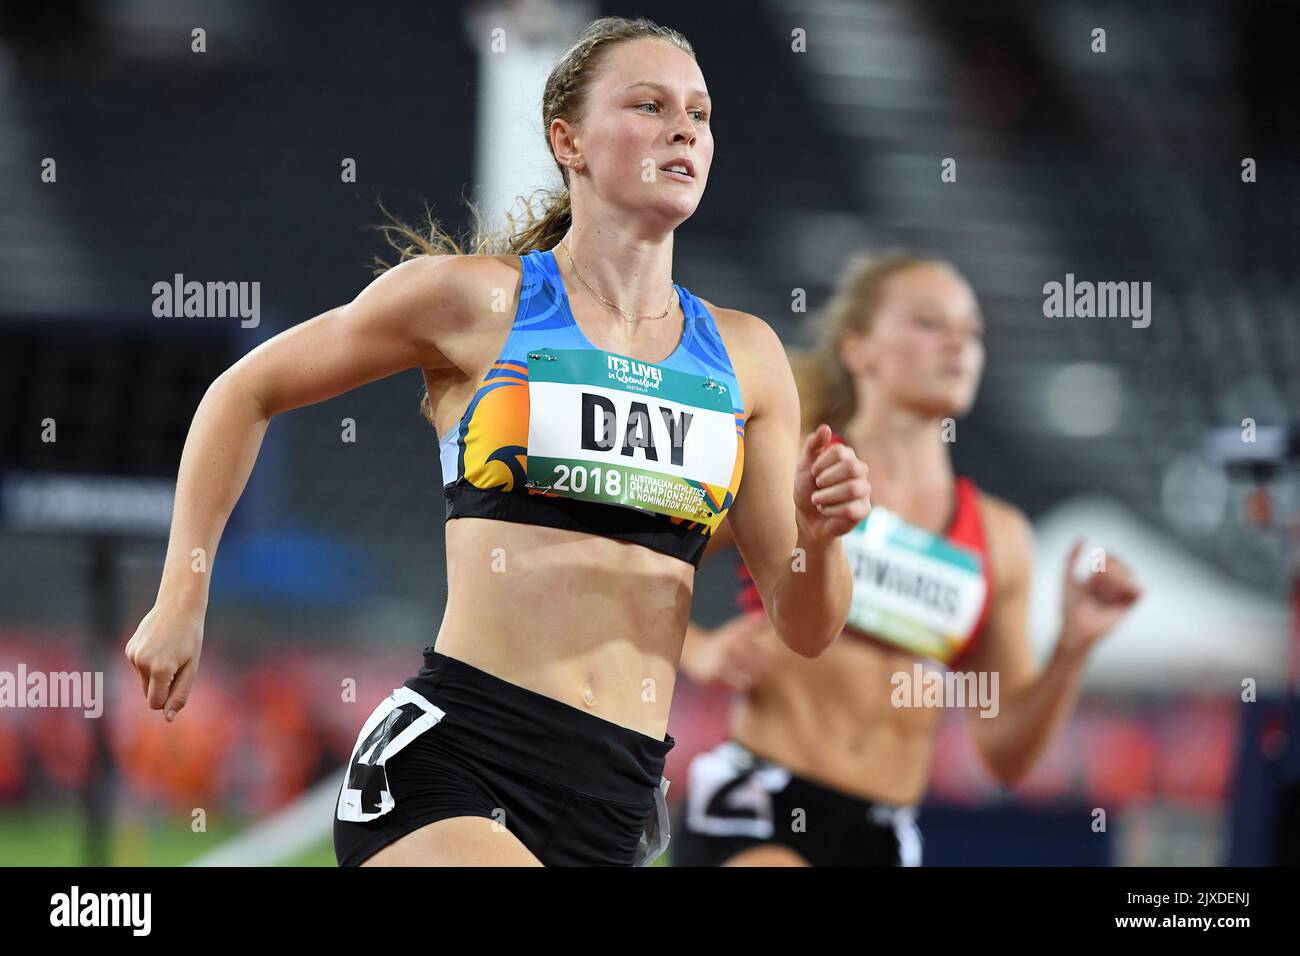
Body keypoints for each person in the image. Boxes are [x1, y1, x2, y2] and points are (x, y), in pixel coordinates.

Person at [123, 16, 871, 867]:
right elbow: (244, 390)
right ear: (570, 140)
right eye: (650, 105)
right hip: (453, 761)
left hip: (616, 798)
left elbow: (806, 627)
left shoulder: (748, 357)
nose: (683, 129)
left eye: (698, 114)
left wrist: (821, 539)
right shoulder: (480, 304)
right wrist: (182, 594)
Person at [672, 251, 1143, 866]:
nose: (958, 343)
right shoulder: (800, 468)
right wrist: (702, 652)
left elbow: (1005, 754)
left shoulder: (1000, 538)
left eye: (971, 331)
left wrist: (1072, 648)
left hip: (885, 831)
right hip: (764, 803)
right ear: (859, 349)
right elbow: (644, 568)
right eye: (928, 322)